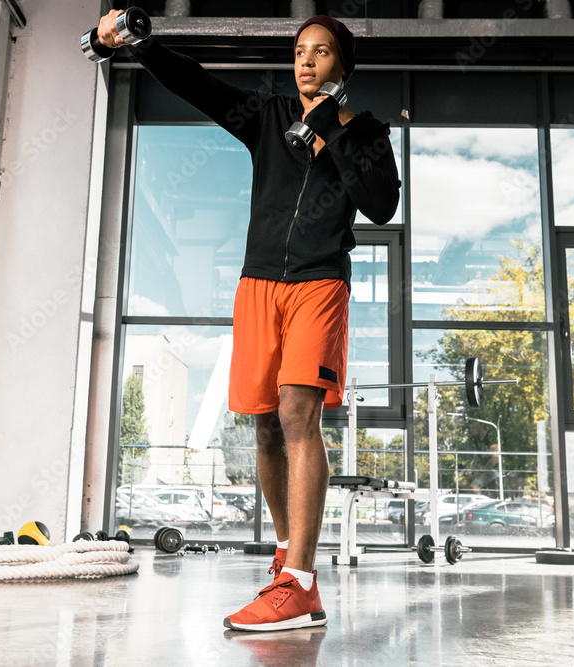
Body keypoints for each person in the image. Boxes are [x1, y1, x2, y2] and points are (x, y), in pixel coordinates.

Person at [95, 11, 401, 632]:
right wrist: (142, 43)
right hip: (258, 284)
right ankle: (289, 558)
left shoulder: (367, 132)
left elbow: (380, 204)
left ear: (343, 66)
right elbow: (200, 85)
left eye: (320, 51)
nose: (306, 60)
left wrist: (329, 126)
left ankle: (302, 583)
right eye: (300, 50)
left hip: (319, 282)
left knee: (297, 413)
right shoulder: (269, 117)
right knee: (263, 425)